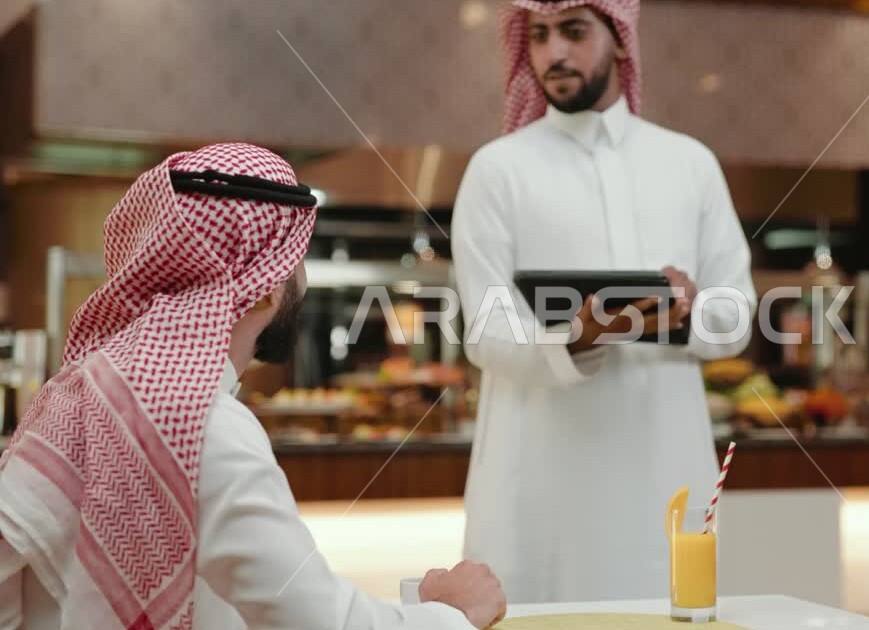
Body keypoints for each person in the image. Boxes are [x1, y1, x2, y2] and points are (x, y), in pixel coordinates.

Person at [0, 143, 506, 629]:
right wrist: (448, 612)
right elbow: (320, 623)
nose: (301, 281)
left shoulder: (78, 390)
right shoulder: (199, 425)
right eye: (295, 263)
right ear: (265, 288)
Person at [451, 0, 756, 604]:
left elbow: (738, 314)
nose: (553, 52)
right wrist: (576, 336)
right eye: (538, 35)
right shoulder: (498, 169)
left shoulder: (689, 164)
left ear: (619, 39)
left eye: (572, 30)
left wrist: (689, 310)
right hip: (542, 481)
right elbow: (486, 331)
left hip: (663, 472)